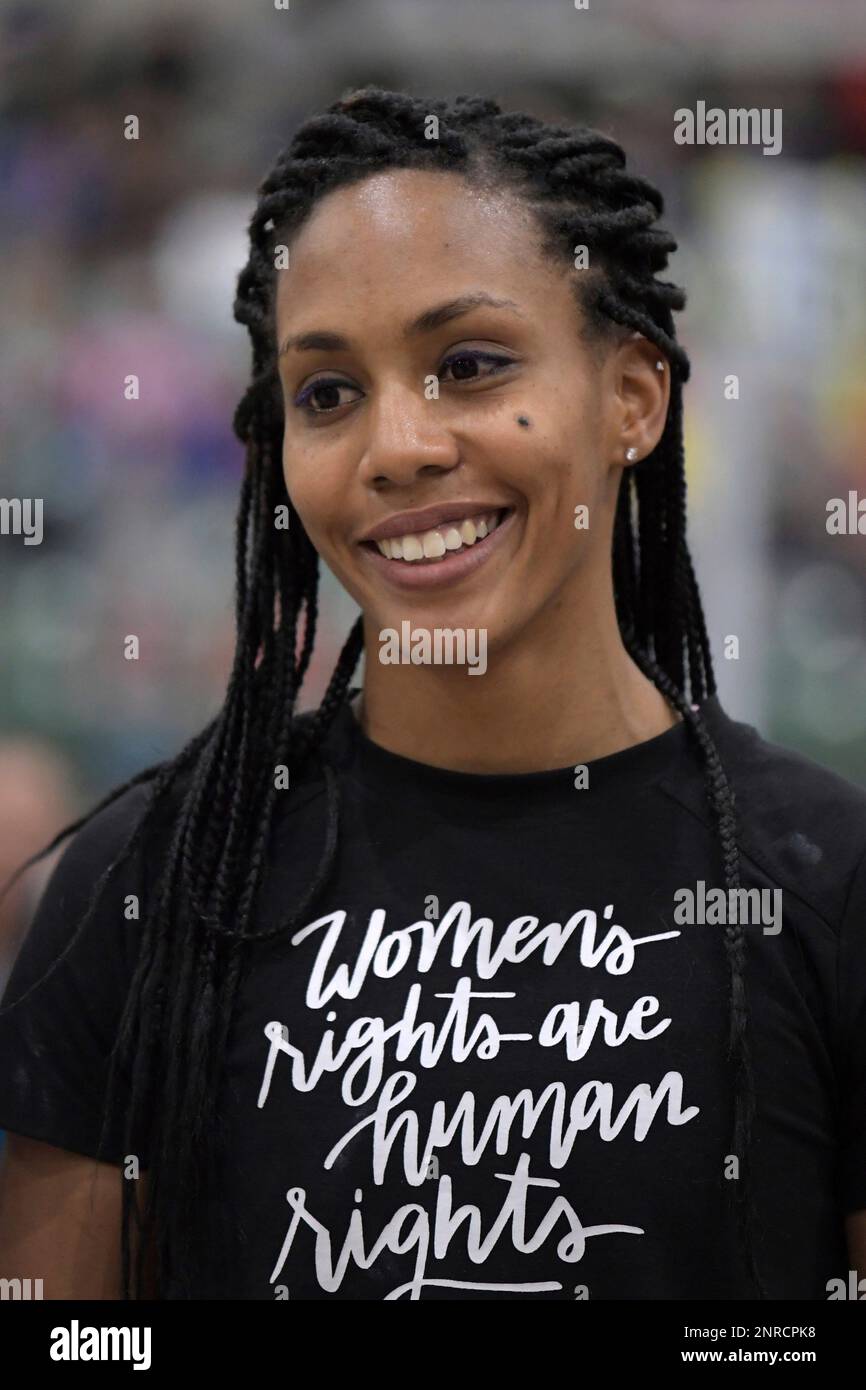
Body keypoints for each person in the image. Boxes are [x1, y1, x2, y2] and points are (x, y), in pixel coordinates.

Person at [1, 85, 864, 1302]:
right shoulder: (151, 887)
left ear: (633, 396)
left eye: (467, 364)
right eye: (327, 393)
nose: (395, 446)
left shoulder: (823, 885)